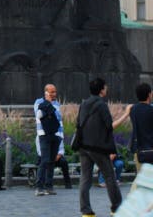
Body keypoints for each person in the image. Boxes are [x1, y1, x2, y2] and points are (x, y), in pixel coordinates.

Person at [77, 77, 131, 217]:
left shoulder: (84, 104)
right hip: (98, 148)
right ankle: (116, 208)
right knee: (109, 177)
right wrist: (126, 114)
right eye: (105, 87)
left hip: (83, 147)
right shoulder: (101, 105)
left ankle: (86, 211)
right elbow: (110, 126)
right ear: (102, 90)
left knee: (85, 178)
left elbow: (80, 124)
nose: (107, 89)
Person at [34, 83, 64, 196]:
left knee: (51, 161)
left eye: (54, 92)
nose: (53, 94)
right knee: (44, 160)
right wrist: (48, 102)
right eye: (51, 92)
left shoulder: (57, 104)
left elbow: (59, 120)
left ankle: (49, 186)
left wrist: (61, 136)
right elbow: (39, 115)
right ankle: (39, 187)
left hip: (56, 135)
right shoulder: (39, 102)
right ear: (46, 93)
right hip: (44, 135)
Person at [129, 81, 153, 169]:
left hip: (138, 150)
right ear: (149, 94)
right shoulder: (151, 110)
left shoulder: (133, 110)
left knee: (141, 177)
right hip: (151, 149)